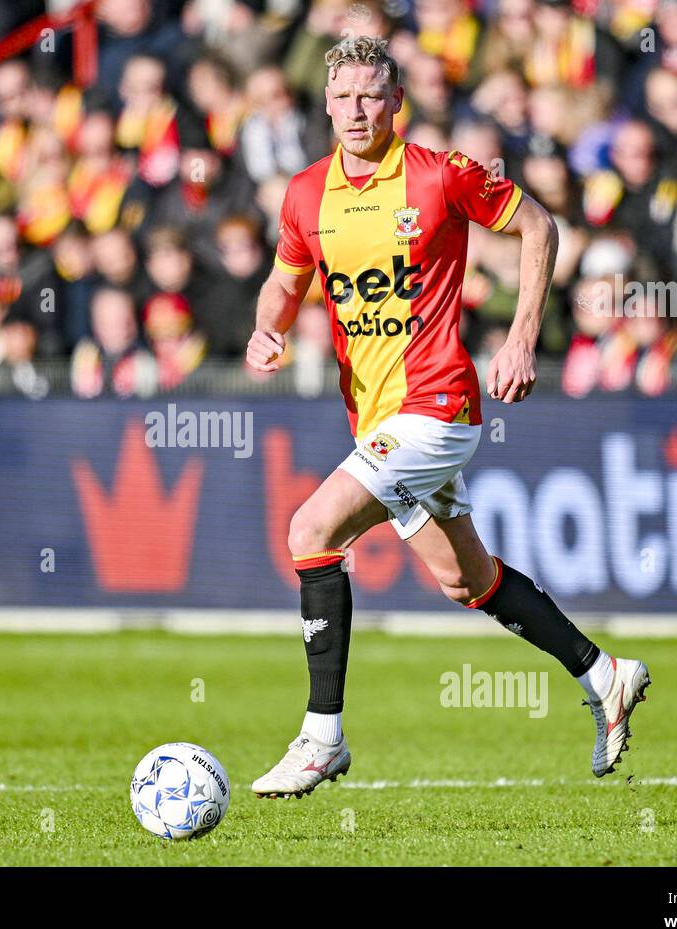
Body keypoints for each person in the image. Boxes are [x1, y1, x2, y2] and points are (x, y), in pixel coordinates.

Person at [243, 36, 651, 799]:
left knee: (309, 531)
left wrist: (523, 333)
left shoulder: (441, 175)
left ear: (396, 101)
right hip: (375, 418)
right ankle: (606, 674)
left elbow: (540, 226)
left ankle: (320, 736)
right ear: (325, 104)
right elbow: (282, 279)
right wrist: (268, 326)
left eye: (372, 95)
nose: (358, 110)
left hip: (436, 405)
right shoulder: (304, 194)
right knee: (467, 581)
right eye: (344, 97)